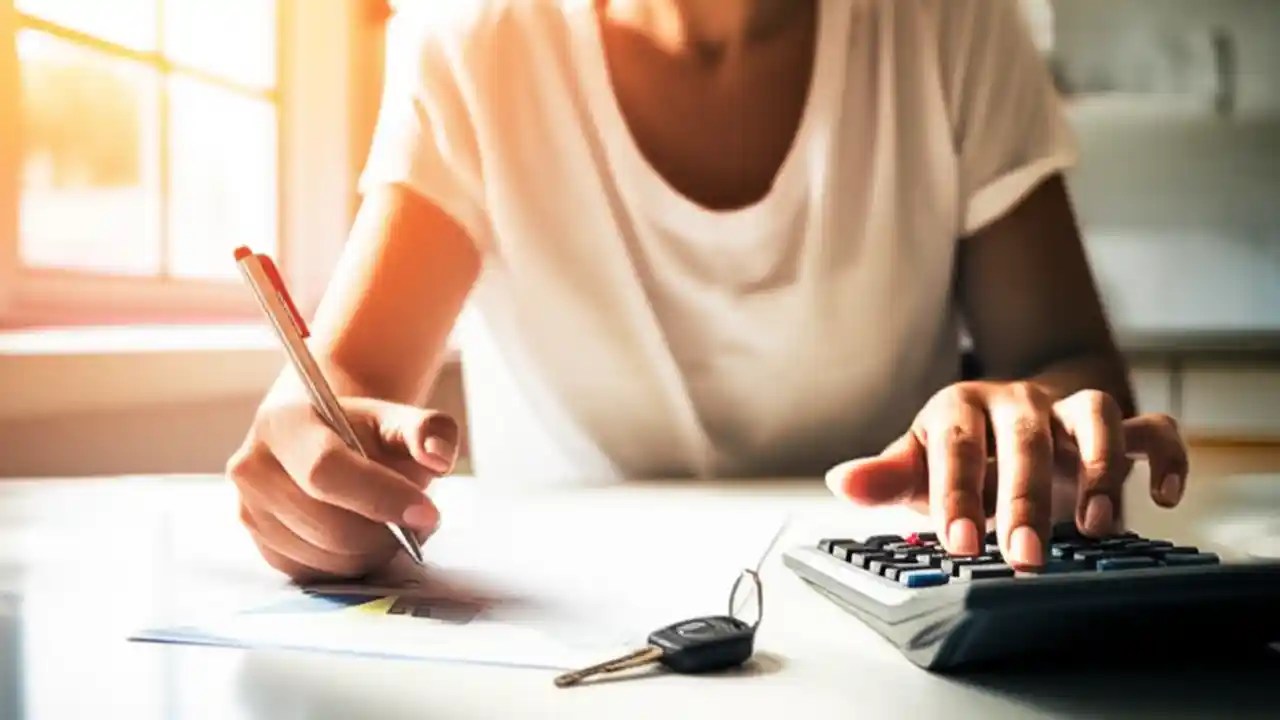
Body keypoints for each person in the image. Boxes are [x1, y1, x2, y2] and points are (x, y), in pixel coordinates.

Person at [226, 0, 1188, 583]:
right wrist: (310, 477)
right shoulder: (469, 39)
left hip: (904, 620)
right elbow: (340, 397)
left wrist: (1036, 425)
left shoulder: (952, 26)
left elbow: (1068, 365)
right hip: (562, 644)